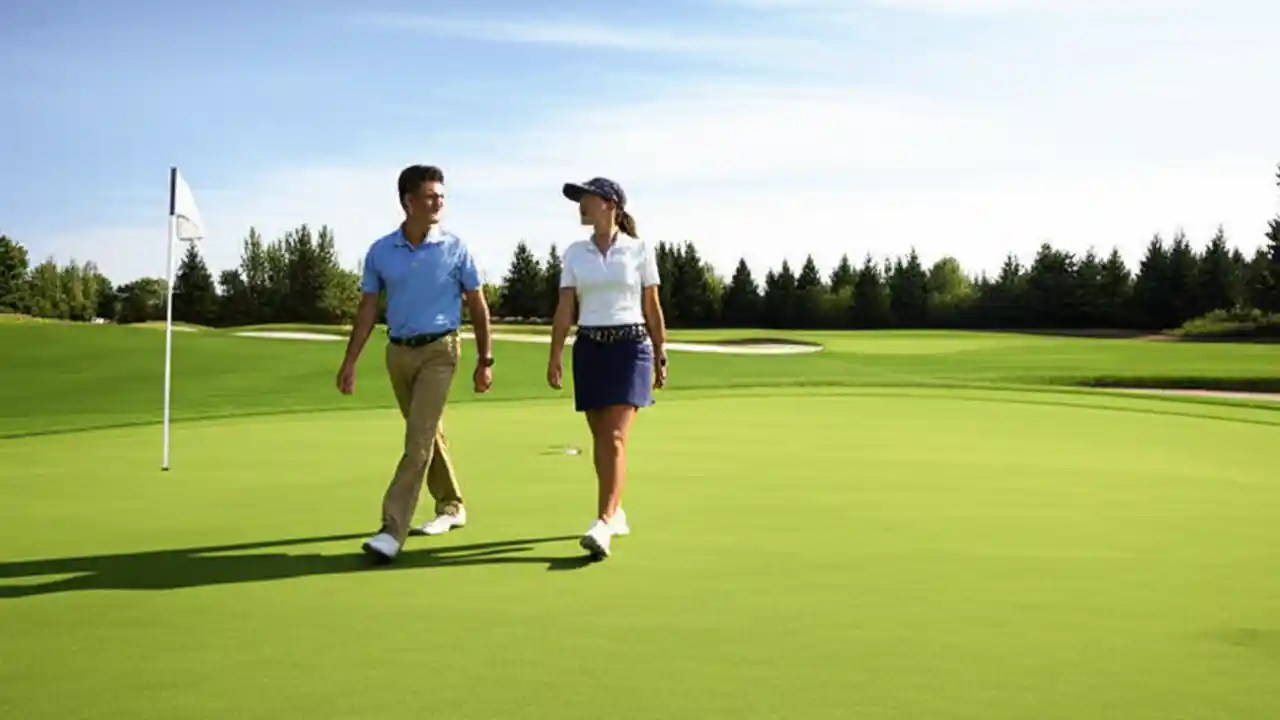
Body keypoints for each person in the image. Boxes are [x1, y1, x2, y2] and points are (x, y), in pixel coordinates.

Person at [336, 163, 495, 563]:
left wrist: (485, 359)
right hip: (398, 353)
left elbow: (478, 306)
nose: (438, 202)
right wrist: (350, 361)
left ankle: (392, 530)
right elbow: (368, 309)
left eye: (441, 196)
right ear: (408, 201)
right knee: (427, 433)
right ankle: (452, 505)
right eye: (429, 196)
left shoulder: (456, 248)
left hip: (441, 350)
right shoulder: (380, 251)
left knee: (417, 439)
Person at [547, 177, 668, 560]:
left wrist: (661, 350)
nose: (581, 205)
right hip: (590, 348)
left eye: (588, 198)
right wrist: (555, 354)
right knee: (601, 439)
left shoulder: (639, 249)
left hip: (630, 348)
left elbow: (651, 306)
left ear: (611, 204)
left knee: (614, 437)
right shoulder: (575, 253)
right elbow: (565, 308)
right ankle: (616, 511)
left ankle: (602, 522)